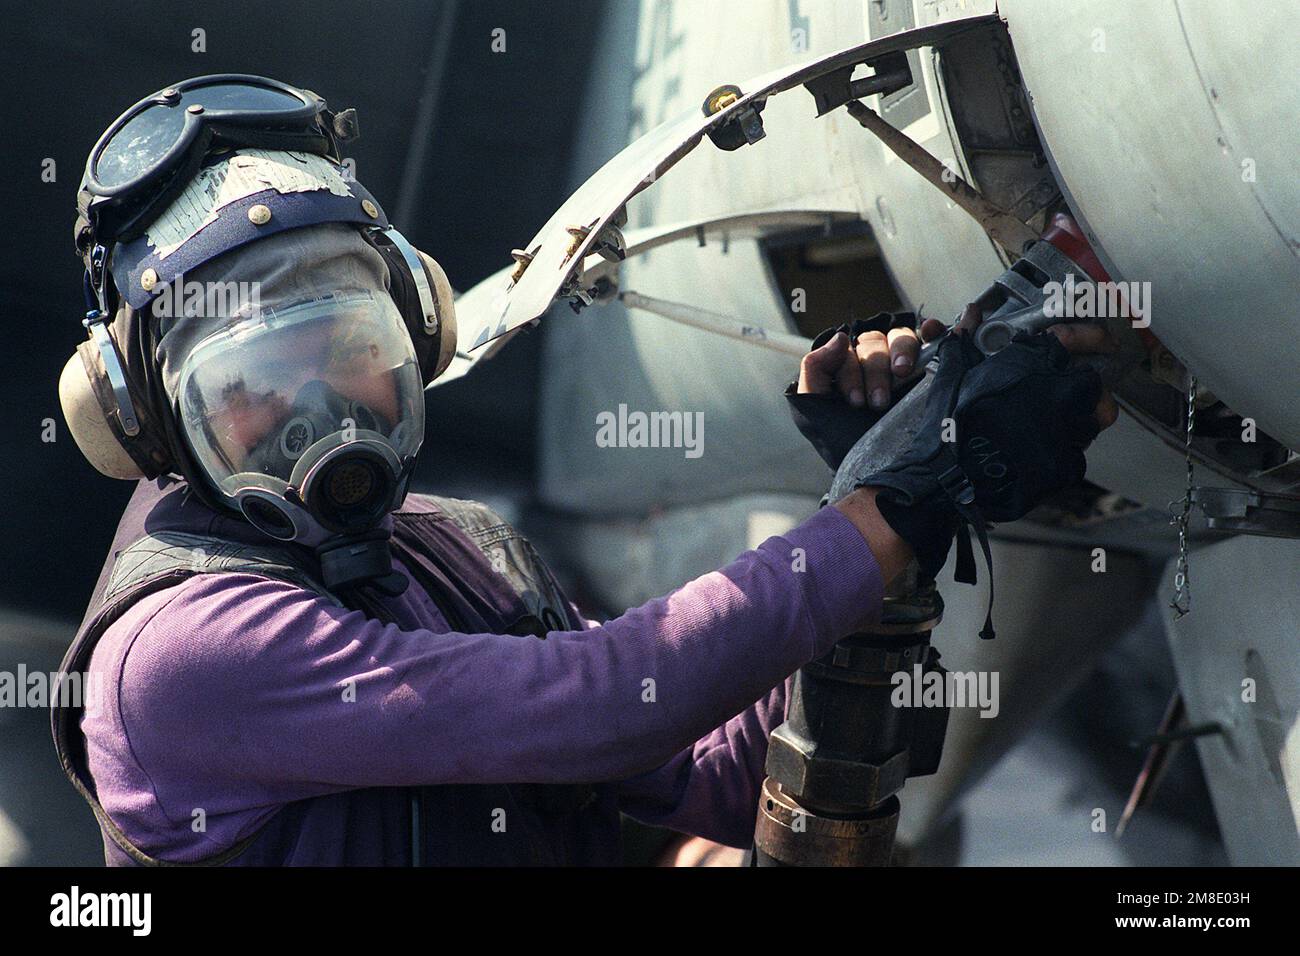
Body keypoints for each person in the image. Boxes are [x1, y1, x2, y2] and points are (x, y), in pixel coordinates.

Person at [54, 76, 1116, 866]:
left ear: (416, 333)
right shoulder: (181, 654)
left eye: (344, 348)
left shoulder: (453, 548)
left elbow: (705, 775)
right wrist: (890, 509)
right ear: (147, 424)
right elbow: (603, 701)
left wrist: (870, 522)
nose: (317, 411)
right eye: (250, 387)